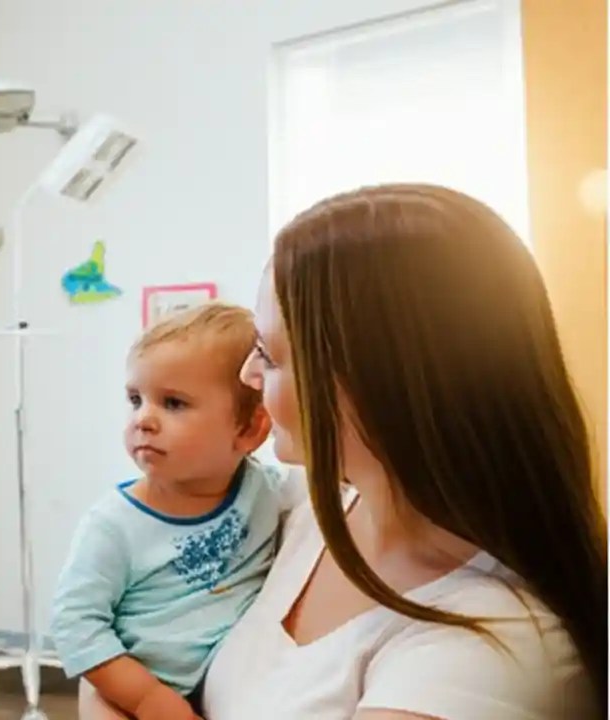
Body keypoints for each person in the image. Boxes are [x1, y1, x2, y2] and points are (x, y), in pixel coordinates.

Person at [202, 183, 606, 718]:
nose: (247, 375)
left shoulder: (487, 650)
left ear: (376, 382)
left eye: (269, 355)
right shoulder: (314, 511)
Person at [50, 303, 290, 720]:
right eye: (135, 399)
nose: (143, 419)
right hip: (132, 701)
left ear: (249, 430)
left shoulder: (269, 493)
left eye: (173, 403)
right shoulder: (113, 525)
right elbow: (75, 625)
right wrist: (148, 700)